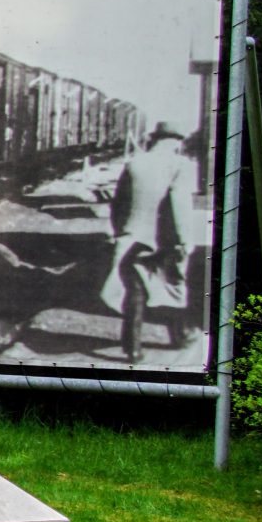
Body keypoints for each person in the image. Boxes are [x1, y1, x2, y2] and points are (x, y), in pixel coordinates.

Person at [102, 123, 198, 362]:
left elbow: (118, 204)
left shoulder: (134, 163)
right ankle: (181, 336)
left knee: (135, 291)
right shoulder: (182, 165)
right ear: (175, 141)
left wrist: (120, 232)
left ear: (156, 139)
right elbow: (179, 206)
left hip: (132, 236)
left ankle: (132, 349)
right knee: (173, 283)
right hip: (164, 239)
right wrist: (185, 239)